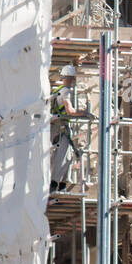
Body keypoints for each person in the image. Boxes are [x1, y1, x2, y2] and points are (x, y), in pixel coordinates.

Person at [50, 65, 86, 193]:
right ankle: (55, 185)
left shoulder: (57, 90)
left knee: (63, 156)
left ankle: (61, 184)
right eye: (73, 78)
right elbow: (70, 110)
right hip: (61, 127)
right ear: (70, 78)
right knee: (64, 156)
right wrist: (85, 113)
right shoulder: (65, 91)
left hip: (55, 127)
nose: (74, 81)